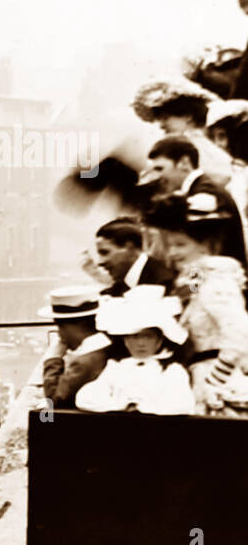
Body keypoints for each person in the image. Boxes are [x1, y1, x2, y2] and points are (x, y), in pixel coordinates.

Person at [147, 192, 248, 413]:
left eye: (181, 245)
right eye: (170, 245)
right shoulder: (197, 276)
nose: (172, 252)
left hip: (219, 379)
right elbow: (191, 301)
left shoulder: (218, 278)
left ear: (206, 244)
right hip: (198, 374)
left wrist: (215, 379)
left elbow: (240, 331)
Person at [76, 289, 195, 415]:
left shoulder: (172, 371)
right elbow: (86, 398)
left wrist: (143, 407)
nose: (141, 343)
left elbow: (182, 404)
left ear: (159, 341)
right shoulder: (117, 368)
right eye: (135, 337)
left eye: (148, 337)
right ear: (125, 341)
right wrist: (120, 406)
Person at [144, 135, 247, 266]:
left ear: (184, 163)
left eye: (160, 169)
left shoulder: (208, 193)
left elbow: (199, 251)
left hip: (221, 279)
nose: (157, 177)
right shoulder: (201, 188)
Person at [40, 287, 115, 408]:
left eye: (60, 328)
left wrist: (53, 359)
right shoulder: (108, 345)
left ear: (72, 327)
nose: (60, 335)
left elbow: (54, 400)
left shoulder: (83, 364)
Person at [94, 218, 174, 297]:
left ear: (129, 247)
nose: (100, 262)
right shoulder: (121, 285)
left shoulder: (163, 283)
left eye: (104, 252)